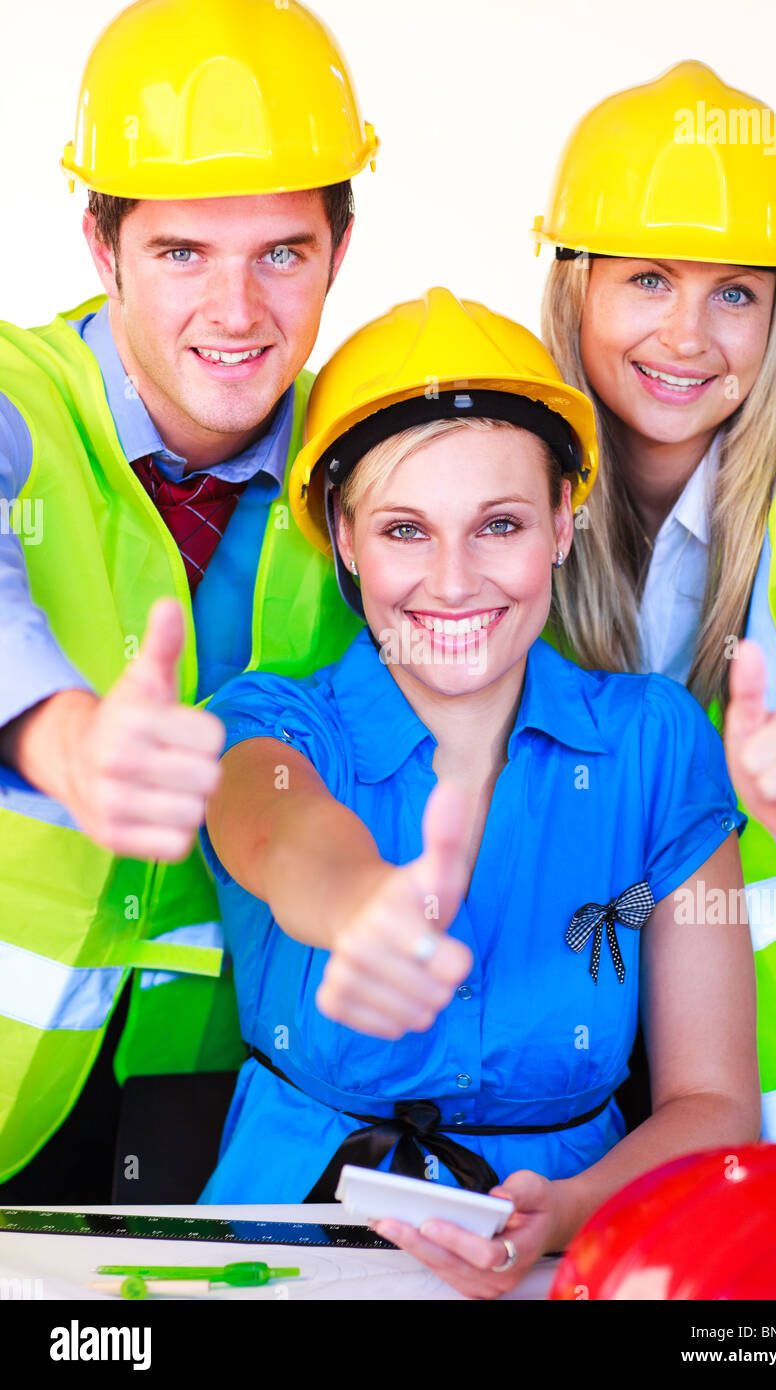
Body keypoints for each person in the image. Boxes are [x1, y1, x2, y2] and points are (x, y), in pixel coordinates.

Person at [198, 288, 760, 1298]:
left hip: (570, 1252)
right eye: (405, 531)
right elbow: (271, 821)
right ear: (343, 539)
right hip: (282, 1254)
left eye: (496, 523)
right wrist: (357, 899)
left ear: (559, 523)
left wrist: (569, 1206)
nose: (452, 582)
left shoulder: (652, 742)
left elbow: (712, 1100)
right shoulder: (275, 724)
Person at [0, 0, 376, 1199]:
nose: (235, 311)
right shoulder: (18, 390)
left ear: (340, 248)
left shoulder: (369, 458)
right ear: (101, 247)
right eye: (181, 254)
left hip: (215, 1116)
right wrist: (58, 735)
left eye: (281, 253)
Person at [534, 60, 776, 1169]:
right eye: (646, 280)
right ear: (572, 280)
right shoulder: (508, 439)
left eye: (734, 293)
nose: (686, 336)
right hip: (561, 1095)